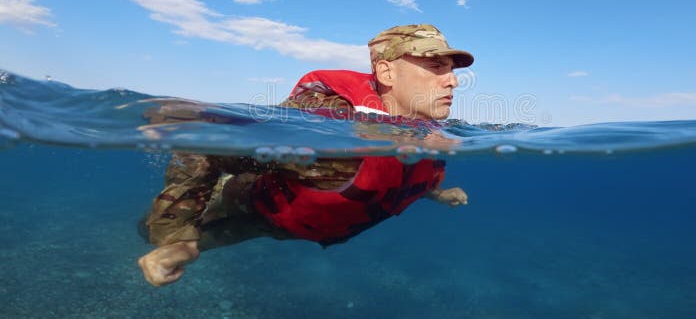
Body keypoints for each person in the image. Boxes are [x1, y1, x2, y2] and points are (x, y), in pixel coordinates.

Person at [137, 24, 474, 287]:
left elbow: (401, 177)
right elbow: (203, 146)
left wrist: (438, 194)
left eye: (452, 70)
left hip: (292, 224)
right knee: (170, 239)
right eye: (436, 66)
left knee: (245, 232)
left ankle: (187, 245)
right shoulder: (326, 126)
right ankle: (166, 238)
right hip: (253, 197)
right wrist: (176, 235)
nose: (453, 82)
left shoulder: (425, 130)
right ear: (386, 73)